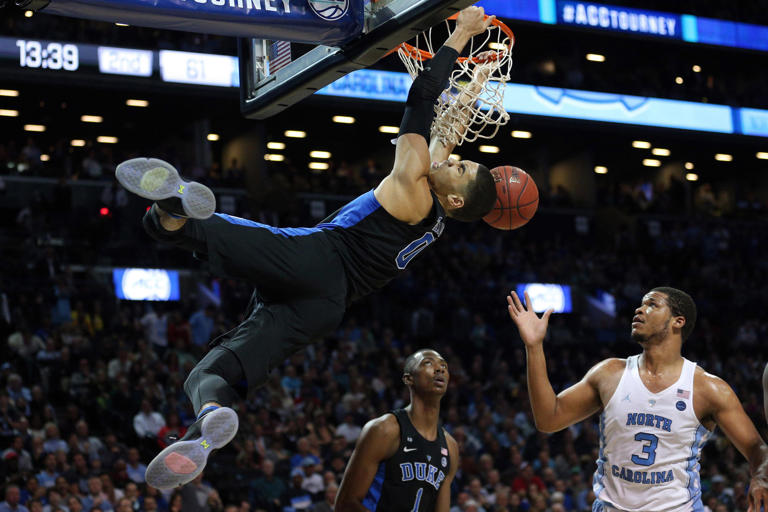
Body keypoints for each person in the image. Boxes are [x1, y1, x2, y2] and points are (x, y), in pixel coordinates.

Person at [115, 6, 498, 490]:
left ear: (456, 194)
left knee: (204, 227)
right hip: (325, 308)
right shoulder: (436, 210)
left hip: (321, 261)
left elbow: (422, 99)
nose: (456, 158)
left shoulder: (413, 181)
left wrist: (461, 35)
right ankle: (208, 421)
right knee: (207, 376)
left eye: (461, 168)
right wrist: (476, 83)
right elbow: (450, 130)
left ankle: (174, 206)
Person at [506, 286, 768, 512]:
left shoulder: (708, 389)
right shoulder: (609, 373)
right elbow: (548, 419)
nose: (639, 310)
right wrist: (534, 346)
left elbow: (758, 449)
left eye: (652, 304)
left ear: (678, 321)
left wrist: (760, 477)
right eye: (640, 304)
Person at [335, 349, 458, 511]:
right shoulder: (384, 429)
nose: (440, 369)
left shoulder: (450, 447)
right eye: (428, 363)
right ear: (409, 379)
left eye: (444, 365)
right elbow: (346, 504)